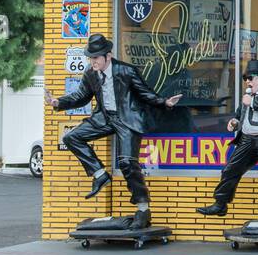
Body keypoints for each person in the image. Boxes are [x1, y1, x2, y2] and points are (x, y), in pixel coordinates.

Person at [45, 34, 181, 229]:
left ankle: (143, 210)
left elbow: (144, 92)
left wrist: (164, 102)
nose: (92, 62)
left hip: (127, 120)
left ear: (107, 56)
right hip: (104, 118)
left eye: (96, 58)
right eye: (90, 58)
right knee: (71, 137)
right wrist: (58, 102)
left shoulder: (126, 71)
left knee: (127, 163)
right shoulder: (91, 73)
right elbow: (81, 96)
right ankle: (100, 174)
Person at [196, 59, 258, 230]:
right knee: (230, 170)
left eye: (251, 77)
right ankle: (221, 203)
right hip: (248, 139)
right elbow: (241, 113)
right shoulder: (248, 95)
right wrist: (235, 121)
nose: (248, 81)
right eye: (245, 78)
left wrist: (253, 102)